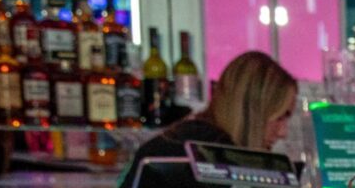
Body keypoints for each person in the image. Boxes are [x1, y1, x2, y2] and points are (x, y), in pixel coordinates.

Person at [125, 49, 297, 175]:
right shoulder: (213, 155)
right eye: (280, 117)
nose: (283, 132)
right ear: (252, 113)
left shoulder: (193, 136)